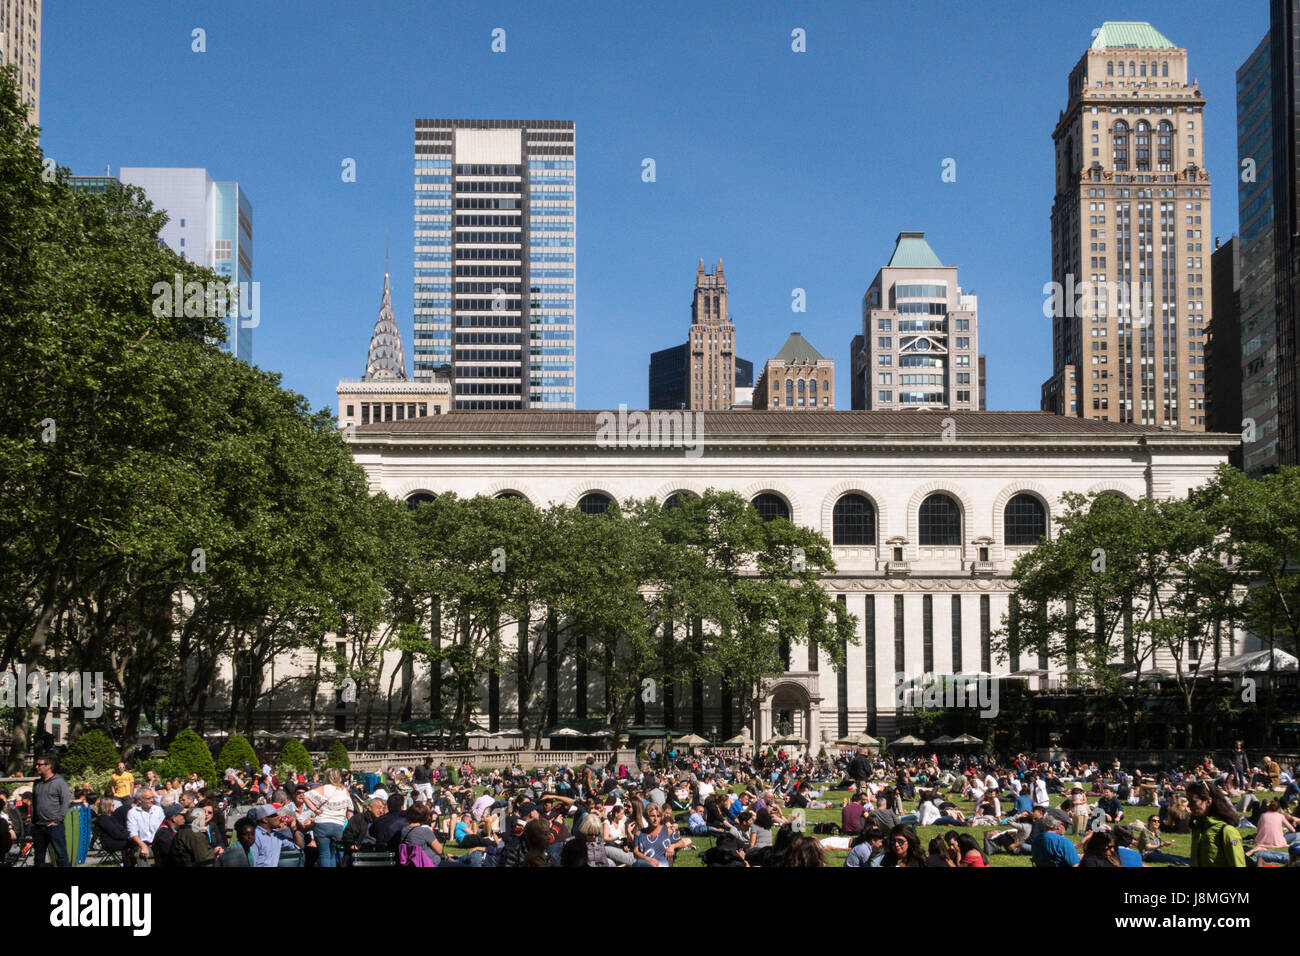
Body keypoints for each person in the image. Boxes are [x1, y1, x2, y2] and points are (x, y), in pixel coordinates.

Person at [1186, 780, 1246, 867]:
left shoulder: (1227, 831)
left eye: (1193, 801)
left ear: (1209, 801)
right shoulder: (1198, 828)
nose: (1189, 805)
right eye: (1188, 801)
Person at [302, 767, 351, 867]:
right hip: (338, 826)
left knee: (324, 854)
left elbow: (305, 796)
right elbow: (350, 809)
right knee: (333, 854)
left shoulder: (323, 788)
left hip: (323, 824)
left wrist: (315, 810)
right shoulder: (344, 790)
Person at [30, 755, 72, 867]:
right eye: (37, 764)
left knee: (61, 855)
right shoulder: (37, 783)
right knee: (38, 858)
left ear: (48, 766)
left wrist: (58, 820)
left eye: (40, 764)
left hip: (54, 826)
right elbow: (34, 802)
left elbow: (65, 802)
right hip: (39, 826)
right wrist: (33, 820)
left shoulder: (59, 782)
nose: (37, 766)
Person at [632, 802, 689, 867]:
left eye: (658, 816)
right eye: (652, 816)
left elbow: (683, 842)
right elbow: (635, 852)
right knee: (638, 863)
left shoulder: (667, 831)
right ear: (646, 817)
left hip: (662, 864)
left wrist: (673, 846)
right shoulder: (639, 833)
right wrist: (648, 859)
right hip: (645, 863)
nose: (656, 819)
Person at [1245, 800, 1295, 865]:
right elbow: (1292, 830)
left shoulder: (1263, 815)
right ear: (1279, 808)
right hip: (1277, 842)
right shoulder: (1281, 816)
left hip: (1261, 841)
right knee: (1293, 835)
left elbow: (1259, 829)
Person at [126, 787, 165, 866]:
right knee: (140, 853)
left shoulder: (158, 810)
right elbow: (132, 833)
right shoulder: (132, 813)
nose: (152, 800)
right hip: (143, 844)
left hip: (159, 844)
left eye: (152, 797)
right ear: (140, 800)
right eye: (148, 798)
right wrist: (143, 846)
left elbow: (164, 828)